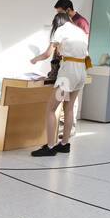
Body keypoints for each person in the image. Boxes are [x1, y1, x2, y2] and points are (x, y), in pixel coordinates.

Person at [30, 14, 91, 156]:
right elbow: (86, 55)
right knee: (69, 108)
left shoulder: (61, 30)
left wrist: (34, 59)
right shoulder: (80, 32)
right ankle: (64, 144)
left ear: (57, 23)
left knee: (51, 108)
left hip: (67, 76)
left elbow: (47, 54)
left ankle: (50, 147)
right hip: (81, 73)